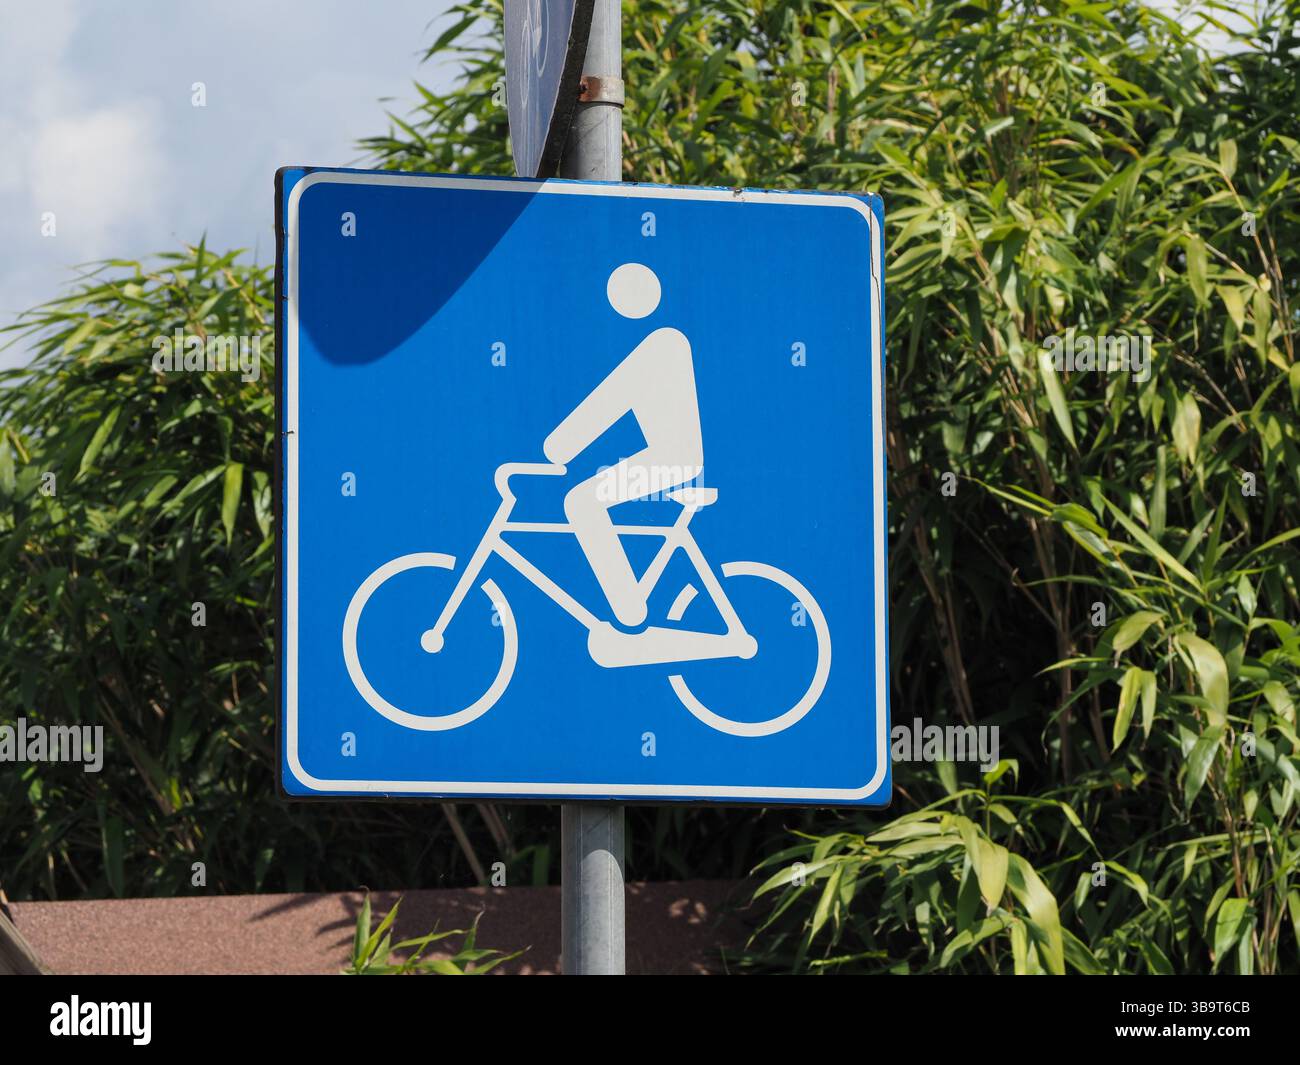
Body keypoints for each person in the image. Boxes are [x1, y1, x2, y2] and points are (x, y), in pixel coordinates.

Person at [543, 263, 703, 628]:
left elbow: (611, 401)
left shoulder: (662, 344)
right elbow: (613, 399)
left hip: (673, 459)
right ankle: (631, 606)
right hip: (666, 456)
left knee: (581, 502)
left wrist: (558, 450)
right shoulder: (659, 344)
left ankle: (631, 615)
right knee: (585, 499)